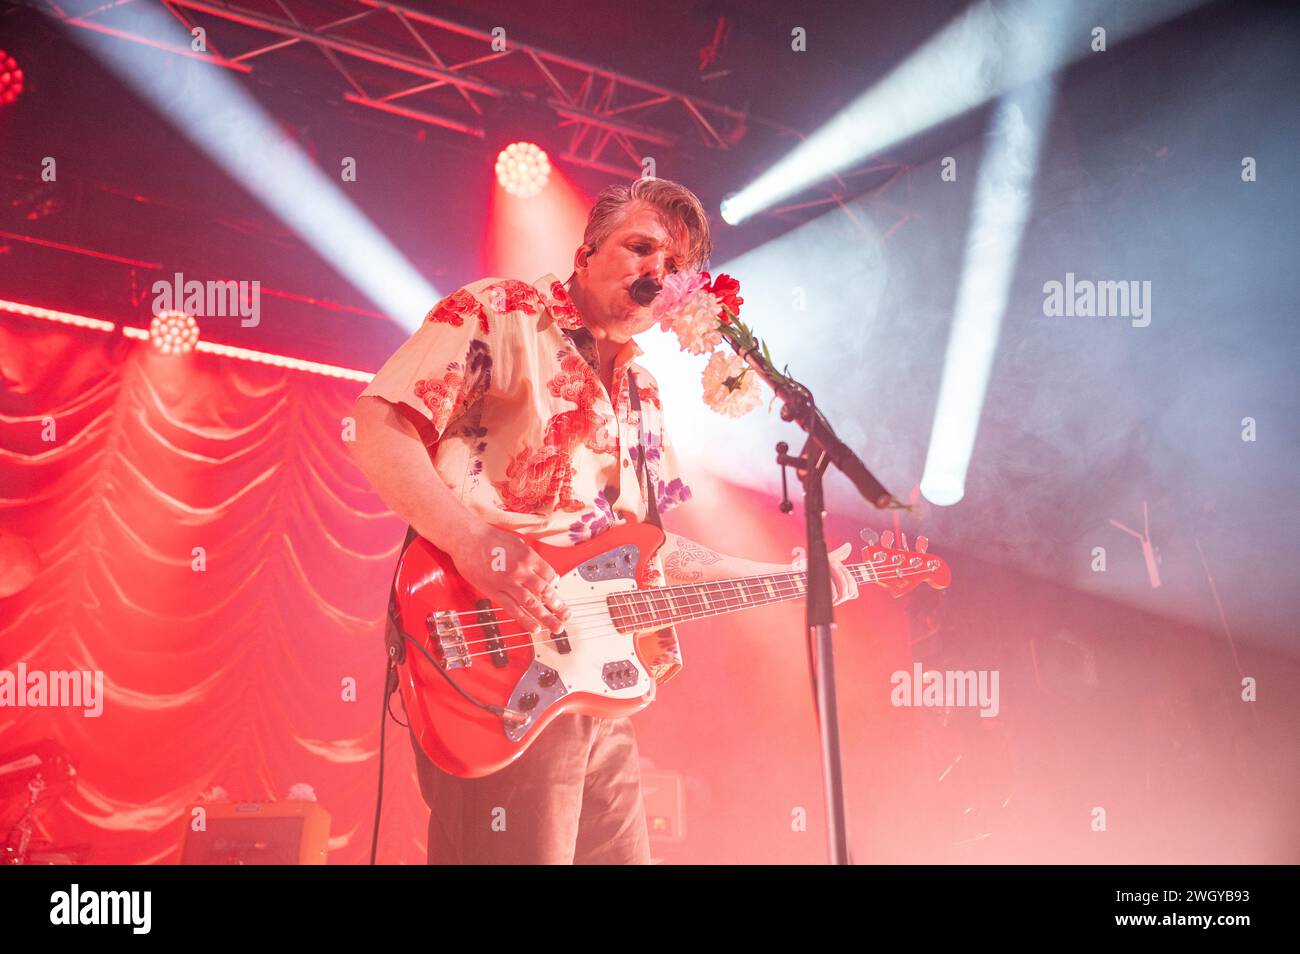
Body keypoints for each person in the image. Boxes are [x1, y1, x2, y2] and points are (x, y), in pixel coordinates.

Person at [351, 176, 860, 864]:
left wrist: (790, 577)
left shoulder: (644, 387)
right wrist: (472, 542)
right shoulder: (499, 312)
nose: (657, 272)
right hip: (494, 655)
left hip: (598, 679)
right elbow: (377, 427)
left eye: (674, 266)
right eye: (640, 248)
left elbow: (649, 549)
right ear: (586, 252)